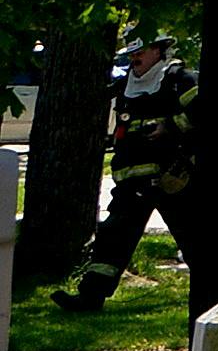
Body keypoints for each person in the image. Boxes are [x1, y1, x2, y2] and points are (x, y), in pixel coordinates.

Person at [63, 33, 195, 312]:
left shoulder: (178, 79)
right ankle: (89, 298)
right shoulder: (125, 86)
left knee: (194, 236)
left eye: (141, 52)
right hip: (131, 182)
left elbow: (206, 113)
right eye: (132, 53)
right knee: (112, 239)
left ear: (158, 51)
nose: (135, 58)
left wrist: (169, 127)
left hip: (171, 179)